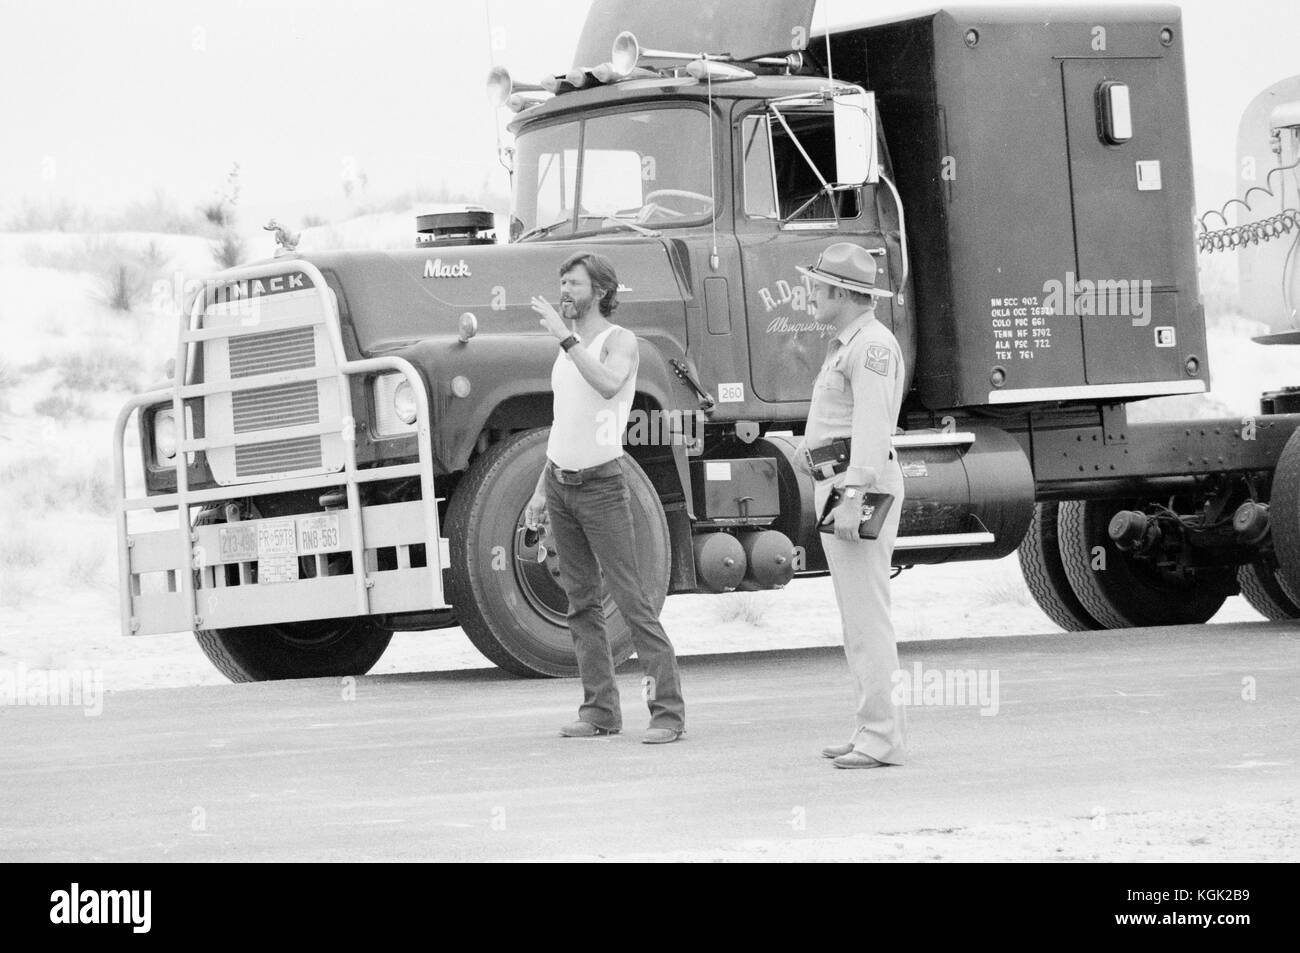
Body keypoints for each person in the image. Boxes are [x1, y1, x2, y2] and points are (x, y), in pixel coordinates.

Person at [526, 251, 686, 744]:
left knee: (632, 601)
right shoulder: (567, 348)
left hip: (601, 484)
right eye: (562, 282)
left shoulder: (620, 342)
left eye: (573, 283)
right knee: (580, 604)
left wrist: (565, 336)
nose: (564, 291)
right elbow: (565, 419)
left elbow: (609, 386)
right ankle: (599, 711)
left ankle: (667, 714)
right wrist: (538, 489)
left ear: (599, 290)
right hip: (561, 482)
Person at [796, 242, 908, 769]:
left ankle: (881, 738)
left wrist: (853, 494)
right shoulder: (852, 343)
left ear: (843, 292)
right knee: (856, 620)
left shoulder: (871, 347)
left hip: (856, 485)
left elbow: (869, 427)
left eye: (818, 288)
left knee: (867, 619)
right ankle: (870, 728)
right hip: (841, 482)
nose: (810, 295)